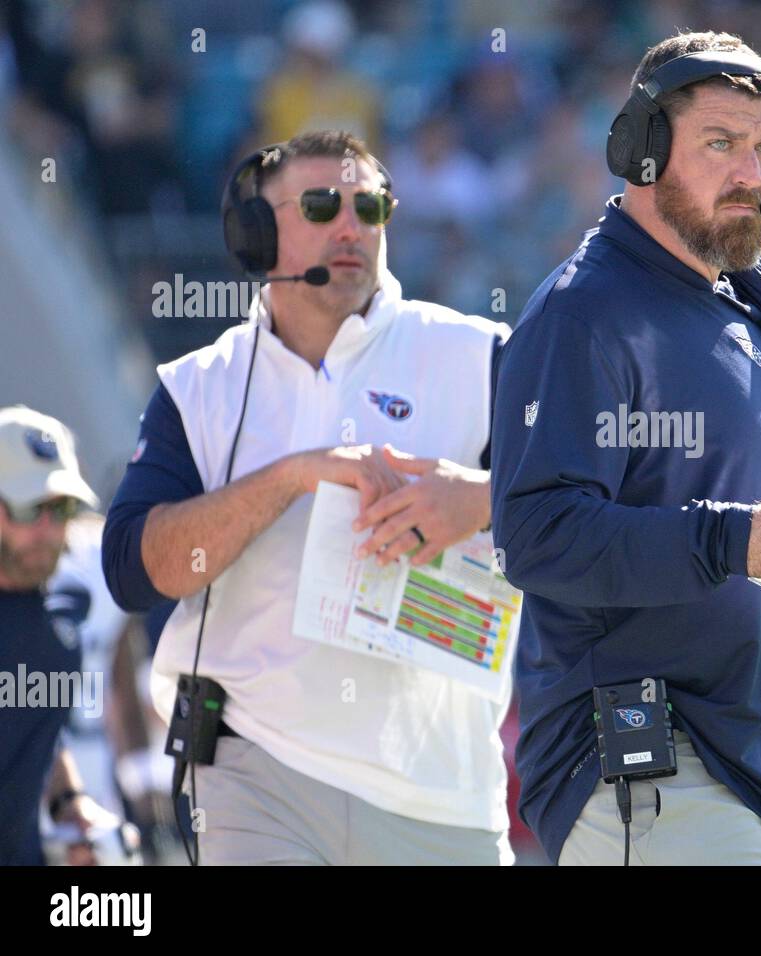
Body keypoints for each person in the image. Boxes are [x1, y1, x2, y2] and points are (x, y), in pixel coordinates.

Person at [490, 31, 761, 865]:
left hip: (733, 774)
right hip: (645, 765)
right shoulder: (584, 314)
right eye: (721, 142)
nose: (752, 173)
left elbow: (741, 506)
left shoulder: (730, 319)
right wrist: (735, 538)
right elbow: (538, 532)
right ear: (642, 151)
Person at [102, 130, 514, 865]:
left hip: (441, 791)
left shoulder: (482, 355)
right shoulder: (197, 386)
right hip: (254, 777)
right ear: (255, 232)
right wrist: (293, 475)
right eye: (322, 206)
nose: (352, 226)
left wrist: (483, 499)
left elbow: (600, 502)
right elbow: (136, 572)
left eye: (372, 206)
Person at [0, 405, 118, 865]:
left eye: (62, 508)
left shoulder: (61, 623)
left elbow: (36, 724)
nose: (49, 530)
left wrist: (70, 804)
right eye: (31, 509)